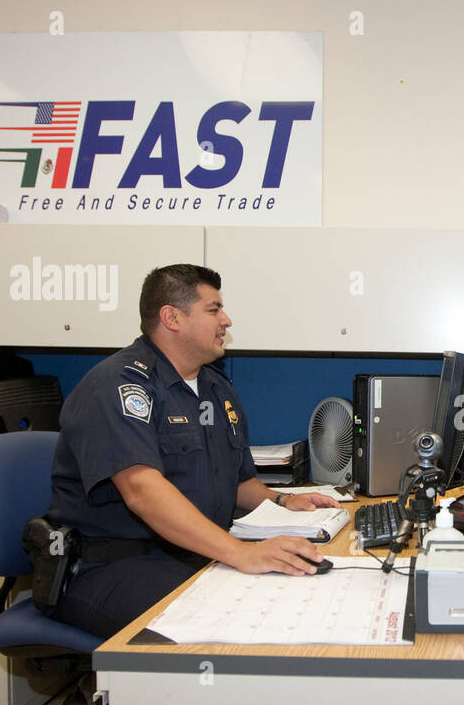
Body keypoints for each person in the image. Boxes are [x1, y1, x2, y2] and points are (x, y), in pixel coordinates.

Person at [43, 263, 340, 639]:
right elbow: (142, 491)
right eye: (213, 309)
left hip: (192, 552)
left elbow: (232, 482)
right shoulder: (118, 387)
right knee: (226, 624)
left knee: (284, 594)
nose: (226, 320)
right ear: (172, 318)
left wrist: (281, 500)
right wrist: (239, 552)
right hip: (112, 566)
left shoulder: (216, 389)